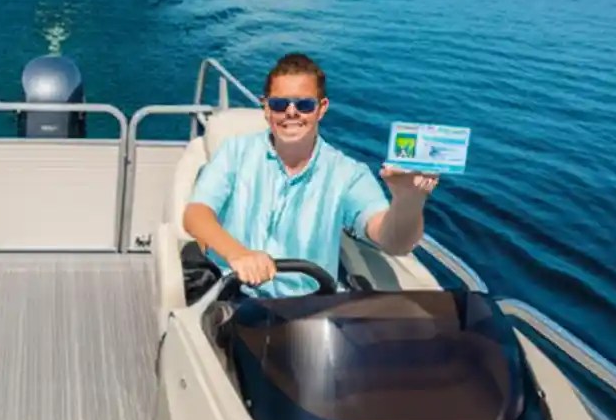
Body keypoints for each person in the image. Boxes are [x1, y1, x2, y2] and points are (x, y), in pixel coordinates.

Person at [182, 52, 439, 297]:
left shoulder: (348, 174)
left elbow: (392, 241)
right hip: (231, 292)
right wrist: (238, 254)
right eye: (279, 104)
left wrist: (408, 199)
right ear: (266, 108)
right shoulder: (234, 152)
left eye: (304, 105)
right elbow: (196, 214)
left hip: (308, 306)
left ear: (321, 108)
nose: (291, 112)